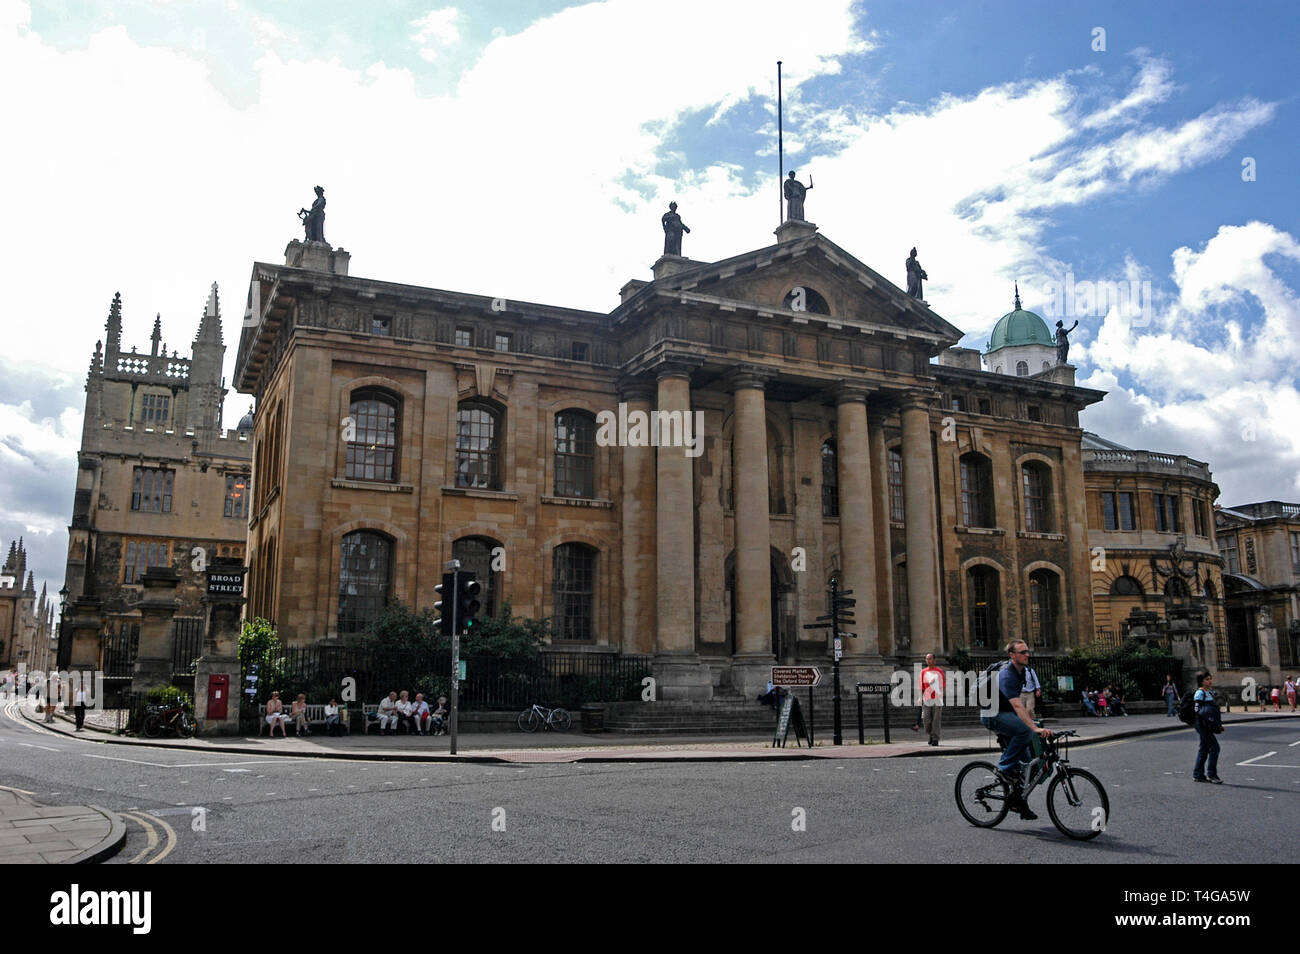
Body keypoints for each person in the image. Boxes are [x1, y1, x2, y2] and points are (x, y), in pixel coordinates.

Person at [979, 640, 1053, 820]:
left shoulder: (1022, 672)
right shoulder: (1006, 674)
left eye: (1028, 651)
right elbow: (1018, 706)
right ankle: (1004, 767)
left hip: (1006, 713)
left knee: (1029, 766)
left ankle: (1018, 802)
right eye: (1022, 652)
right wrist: (1033, 727)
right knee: (1026, 732)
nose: (1027, 655)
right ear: (1012, 655)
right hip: (993, 714)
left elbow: (1017, 708)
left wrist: (1033, 725)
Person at [1192, 672, 1223, 783]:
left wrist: (1217, 725)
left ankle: (1198, 774)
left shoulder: (1208, 692)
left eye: (1210, 679)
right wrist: (1205, 722)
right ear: (1201, 681)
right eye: (1207, 679)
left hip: (1208, 725)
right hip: (1202, 725)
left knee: (1204, 748)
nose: (1210, 681)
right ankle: (1211, 774)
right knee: (1215, 748)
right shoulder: (1200, 693)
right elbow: (1197, 710)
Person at [918, 653, 945, 746]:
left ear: (934, 660)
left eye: (930, 659)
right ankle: (930, 734)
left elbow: (942, 686)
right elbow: (920, 686)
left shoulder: (939, 671)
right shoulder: (923, 671)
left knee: (936, 720)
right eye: (927, 659)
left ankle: (935, 738)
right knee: (926, 719)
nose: (928, 660)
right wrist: (919, 697)